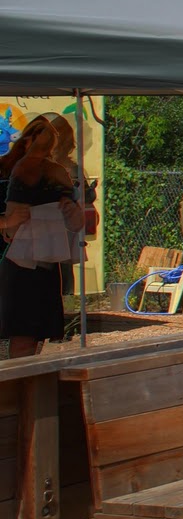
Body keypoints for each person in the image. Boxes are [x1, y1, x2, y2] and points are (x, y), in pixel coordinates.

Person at [0, 115, 84, 357]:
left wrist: (72, 213)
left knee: (35, 338)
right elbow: (11, 224)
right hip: (18, 262)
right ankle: (16, 390)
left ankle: (27, 389)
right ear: (26, 140)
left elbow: (77, 223)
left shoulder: (58, 172)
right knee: (23, 338)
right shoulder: (8, 171)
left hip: (45, 262)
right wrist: (8, 221)